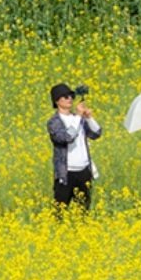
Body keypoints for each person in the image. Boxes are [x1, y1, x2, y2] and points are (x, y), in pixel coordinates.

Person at [46, 83, 101, 213]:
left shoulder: (79, 119)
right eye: (65, 96)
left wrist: (89, 118)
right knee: (60, 212)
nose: (69, 98)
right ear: (57, 101)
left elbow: (96, 134)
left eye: (71, 95)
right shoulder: (54, 122)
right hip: (66, 173)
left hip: (84, 171)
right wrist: (78, 117)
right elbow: (67, 137)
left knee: (83, 212)